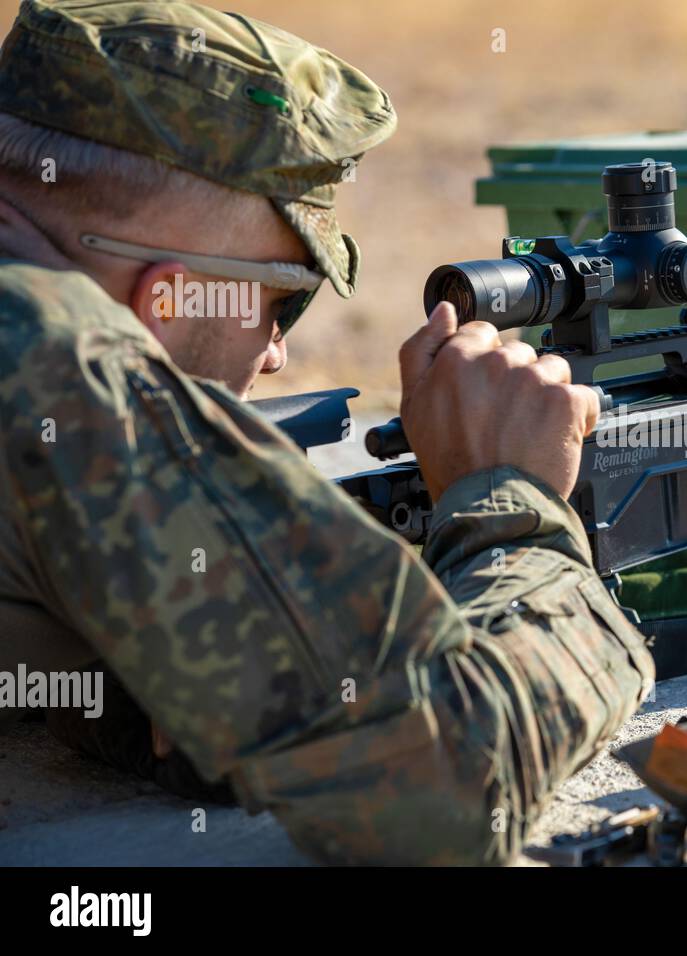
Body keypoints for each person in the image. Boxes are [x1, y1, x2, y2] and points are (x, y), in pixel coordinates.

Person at [0, 0, 653, 864]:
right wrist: (515, 506)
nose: (275, 353)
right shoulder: (64, 369)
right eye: (284, 297)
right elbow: (445, 793)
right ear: (170, 295)